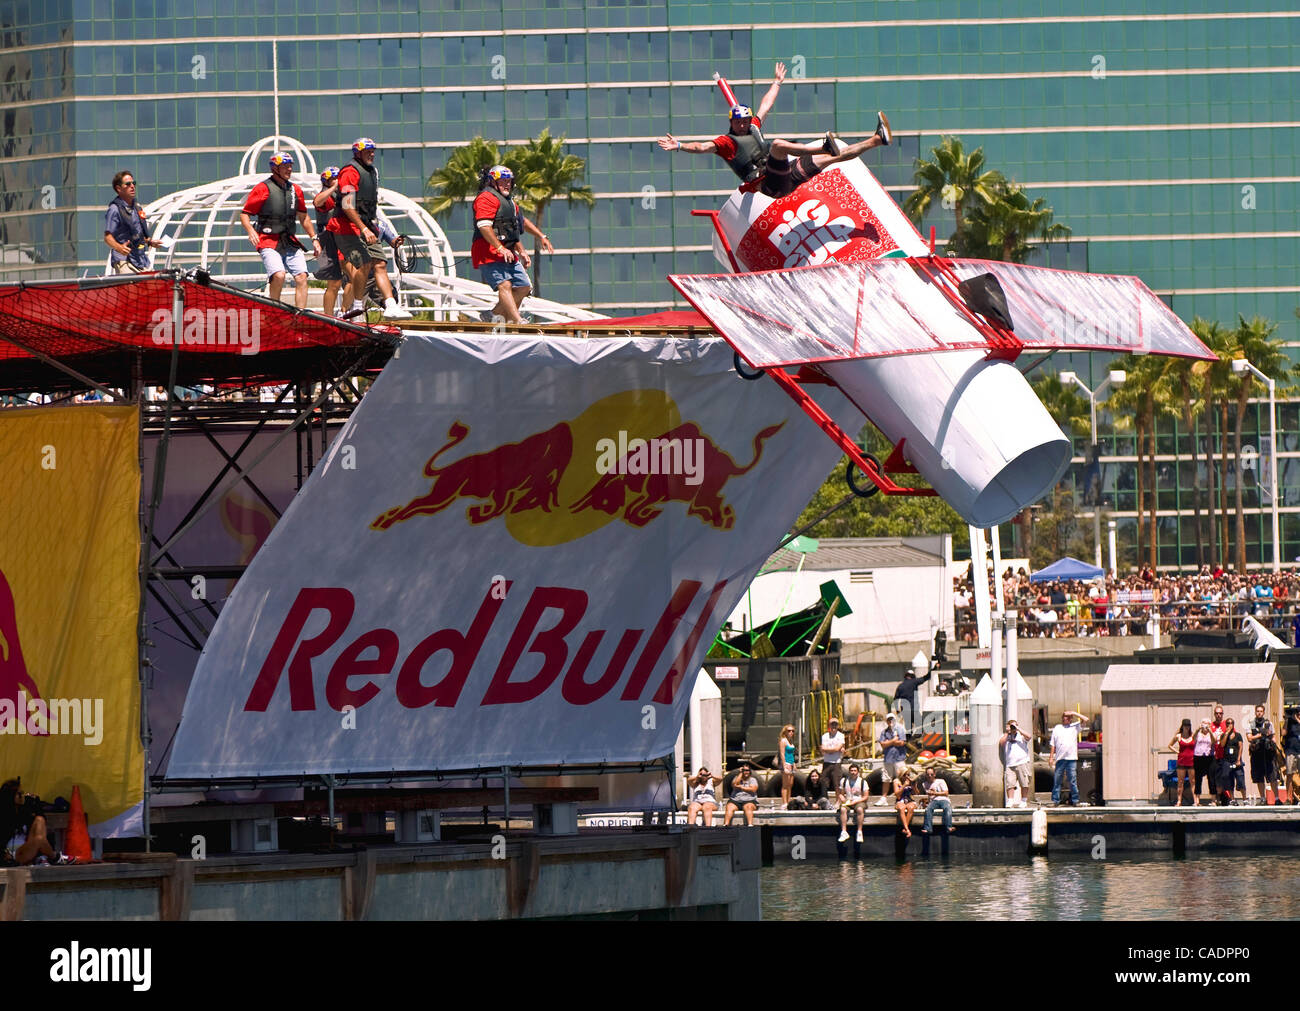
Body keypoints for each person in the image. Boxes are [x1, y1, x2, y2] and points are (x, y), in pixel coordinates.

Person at [657, 62, 892, 200]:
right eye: (739, 122)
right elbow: (701, 147)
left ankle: (876, 140)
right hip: (769, 184)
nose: (743, 124)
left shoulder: (754, 127)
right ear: (731, 123)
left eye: (746, 120)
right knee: (778, 145)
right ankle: (822, 145)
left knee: (835, 155)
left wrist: (777, 82)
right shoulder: (725, 143)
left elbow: (766, 104)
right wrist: (679, 146)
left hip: (785, 176)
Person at [329, 138, 413, 321]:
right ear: (357, 153)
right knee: (366, 263)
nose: (372, 154)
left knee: (380, 264)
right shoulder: (350, 172)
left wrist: (388, 237)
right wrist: (364, 229)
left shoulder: (372, 172)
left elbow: (369, 211)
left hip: (365, 226)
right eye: (368, 151)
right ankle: (356, 306)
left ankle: (391, 305)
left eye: (373, 150)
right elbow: (347, 205)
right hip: (346, 228)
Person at [471, 164, 554, 325]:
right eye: (502, 181)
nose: (507, 184)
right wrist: (500, 248)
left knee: (523, 287)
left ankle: (493, 315)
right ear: (492, 181)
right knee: (505, 284)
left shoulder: (509, 202)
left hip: (508, 251)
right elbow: (484, 226)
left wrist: (538, 238)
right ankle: (516, 321)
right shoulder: (486, 198)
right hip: (488, 250)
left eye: (509, 181)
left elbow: (519, 224)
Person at [240, 151, 321, 309]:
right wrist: (251, 231)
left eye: (290, 166)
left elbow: (304, 217)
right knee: (279, 275)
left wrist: (314, 239)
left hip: (289, 241)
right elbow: (245, 214)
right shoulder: (262, 188)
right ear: (275, 169)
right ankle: (275, 311)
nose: (289, 169)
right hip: (268, 241)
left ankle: (300, 315)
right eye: (285, 166)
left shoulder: (295, 190)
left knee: (302, 276)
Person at [1, 779, 76, 866]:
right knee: (39, 840)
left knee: (39, 820)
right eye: (19, 794)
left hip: (28, 849)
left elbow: (41, 820)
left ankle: (45, 857)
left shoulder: (24, 812)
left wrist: (35, 805)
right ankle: (55, 857)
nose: (22, 796)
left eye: (22, 793)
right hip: (13, 855)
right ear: (10, 796)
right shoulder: (3, 816)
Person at [104, 170, 164, 274]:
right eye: (128, 184)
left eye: (133, 183)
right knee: (130, 287)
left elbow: (137, 235)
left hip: (141, 259)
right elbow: (107, 237)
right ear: (119, 188)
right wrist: (119, 247)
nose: (132, 186)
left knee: (152, 285)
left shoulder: (137, 207)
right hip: (124, 260)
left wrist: (150, 242)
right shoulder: (114, 209)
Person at [311, 166, 346, 316]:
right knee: (334, 282)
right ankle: (329, 315)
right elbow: (317, 202)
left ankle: (345, 311)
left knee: (354, 276)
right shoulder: (325, 197)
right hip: (328, 240)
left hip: (344, 239)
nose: (338, 181)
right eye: (334, 178)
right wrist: (334, 187)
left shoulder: (345, 196)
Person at [1049, 710, 1089, 806]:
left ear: (1070, 718)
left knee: (1072, 780)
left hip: (1071, 758)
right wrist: (1051, 757)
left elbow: (1086, 719)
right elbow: (1053, 744)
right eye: (1063, 716)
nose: (1064, 718)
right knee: (1057, 780)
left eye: (1067, 717)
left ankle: (1075, 800)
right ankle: (1055, 800)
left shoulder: (1075, 727)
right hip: (1060, 759)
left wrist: (1074, 713)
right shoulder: (1057, 728)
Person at [1246, 704, 1280, 805]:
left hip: (1268, 754)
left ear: (1264, 712)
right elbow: (1249, 738)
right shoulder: (1251, 724)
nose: (1259, 713)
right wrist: (1260, 735)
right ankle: (1262, 799)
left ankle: (1277, 799)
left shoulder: (1268, 723)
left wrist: (1273, 744)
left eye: (1261, 711)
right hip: (1257, 754)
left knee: (1272, 777)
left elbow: (1273, 736)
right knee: (1259, 777)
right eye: (1258, 711)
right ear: (1255, 712)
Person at [1000, 719, 1033, 807]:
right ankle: (1010, 801)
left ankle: (1023, 801)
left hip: (1022, 762)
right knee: (1009, 783)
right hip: (1010, 764)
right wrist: (1008, 732)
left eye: (1013, 726)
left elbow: (1029, 736)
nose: (1012, 728)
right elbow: (1001, 743)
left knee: (1024, 782)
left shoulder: (1020, 736)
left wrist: (1018, 729)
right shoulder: (1006, 736)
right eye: (1010, 726)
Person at [876, 713, 907, 805]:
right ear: (886, 721)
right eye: (888, 720)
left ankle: (902, 797)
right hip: (888, 759)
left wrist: (888, 742)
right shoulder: (884, 732)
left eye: (892, 719)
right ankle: (883, 798)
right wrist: (893, 741)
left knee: (902, 777)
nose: (890, 721)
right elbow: (882, 744)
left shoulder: (900, 729)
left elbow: (902, 743)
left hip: (899, 758)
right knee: (886, 778)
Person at [1168, 718, 1197, 807]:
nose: (1187, 727)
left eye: (1188, 725)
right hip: (1181, 761)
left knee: (1193, 781)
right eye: (1185, 725)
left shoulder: (1193, 736)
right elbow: (1170, 745)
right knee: (1180, 782)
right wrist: (1177, 752)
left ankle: (1196, 801)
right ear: (1182, 726)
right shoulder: (1178, 736)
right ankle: (1179, 801)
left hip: (1191, 761)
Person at [837, 762, 868, 843]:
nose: (853, 772)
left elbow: (865, 796)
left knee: (860, 809)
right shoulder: (844, 781)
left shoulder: (863, 782)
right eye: (851, 770)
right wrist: (843, 799)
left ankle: (859, 832)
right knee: (843, 809)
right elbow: (841, 793)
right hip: (848, 800)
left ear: (858, 772)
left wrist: (855, 801)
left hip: (858, 800)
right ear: (849, 771)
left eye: (855, 770)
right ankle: (844, 832)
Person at [1218, 718, 1245, 805]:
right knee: (1228, 779)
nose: (1230, 725)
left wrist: (1238, 759)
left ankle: (1244, 799)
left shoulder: (1238, 735)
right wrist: (1226, 733)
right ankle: (1232, 799)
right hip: (1227, 761)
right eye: (1228, 723)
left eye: (1231, 723)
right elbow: (1222, 745)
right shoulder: (1223, 735)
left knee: (1240, 778)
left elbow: (1240, 747)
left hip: (1236, 760)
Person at [723, 762, 759, 826]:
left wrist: (741, 787)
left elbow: (753, 789)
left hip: (749, 800)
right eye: (744, 770)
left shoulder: (753, 780)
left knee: (748, 807)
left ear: (750, 771)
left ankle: (750, 825)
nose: (746, 772)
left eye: (747, 770)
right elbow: (734, 785)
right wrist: (740, 773)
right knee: (729, 807)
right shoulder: (737, 778)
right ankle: (725, 825)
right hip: (736, 800)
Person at [921, 766, 954, 835]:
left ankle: (949, 827)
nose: (930, 776)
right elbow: (928, 794)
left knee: (947, 808)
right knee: (928, 810)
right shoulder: (924, 784)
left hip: (943, 799)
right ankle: (928, 828)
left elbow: (946, 793)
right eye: (928, 775)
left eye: (931, 774)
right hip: (934, 801)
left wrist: (935, 793)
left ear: (934, 774)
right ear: (926, 775)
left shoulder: (941, 781)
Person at [1192, 717, 1217, 804]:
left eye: (1207, 723)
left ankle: (1213, 800)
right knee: (1198, 778)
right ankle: (1197, 800)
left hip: (1209, 757)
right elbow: (1192, 739)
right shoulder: (1198, 734)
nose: (1205, 725)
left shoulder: (1211, 734)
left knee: (1211, 778)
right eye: (1203, 723)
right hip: (1198, 757)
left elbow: (1214, 741)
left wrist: (1210, 731)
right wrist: (1197, 729)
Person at [819, 717, 846, 796]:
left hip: (836, 762)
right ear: (829, 725)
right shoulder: (824, 736)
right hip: (826, 762)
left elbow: (838, 748)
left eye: (835, 724)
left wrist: (828, 750)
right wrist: (834, 749)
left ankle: (838, 801)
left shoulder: (841, 735)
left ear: (838, 726)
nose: (834, 726)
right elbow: (823, 748)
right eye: (832, 724)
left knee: (837, 783)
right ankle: (824, 798)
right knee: (823, 782)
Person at [1283, 706, 1300, 805]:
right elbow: (1283, 733)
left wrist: (1298, 720)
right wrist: (1286, 720)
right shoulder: (1289, 722)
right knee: (1289, 775)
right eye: (1297, 713)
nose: (1298, 714)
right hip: (1291, 751)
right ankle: (1289, 798)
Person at [778, 724, 797, 808]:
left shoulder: (791, 741)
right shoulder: (783, 741)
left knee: (790, 784)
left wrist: (794, 764)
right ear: (785, 731)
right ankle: (784, 802)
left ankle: (788, 801)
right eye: (789, 731)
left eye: (792, 731)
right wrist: (784, 765)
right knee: (785, 784)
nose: (791, 732)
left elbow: (792, 753)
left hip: (792, 763)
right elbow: (782, 754)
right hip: (786, 763)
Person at [894, 770, 917, 838]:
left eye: (908, 774)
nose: (906, 777)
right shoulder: (897, 782)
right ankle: (907, 829)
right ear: (901, 775)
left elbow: (916, 793)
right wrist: (904, 786)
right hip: (900, 800)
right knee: (902, 808)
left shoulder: (911, 781)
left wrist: (913, 786)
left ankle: (905, 829)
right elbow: (897, 795)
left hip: (910, 800)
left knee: (911, 808)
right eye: (904, 775)